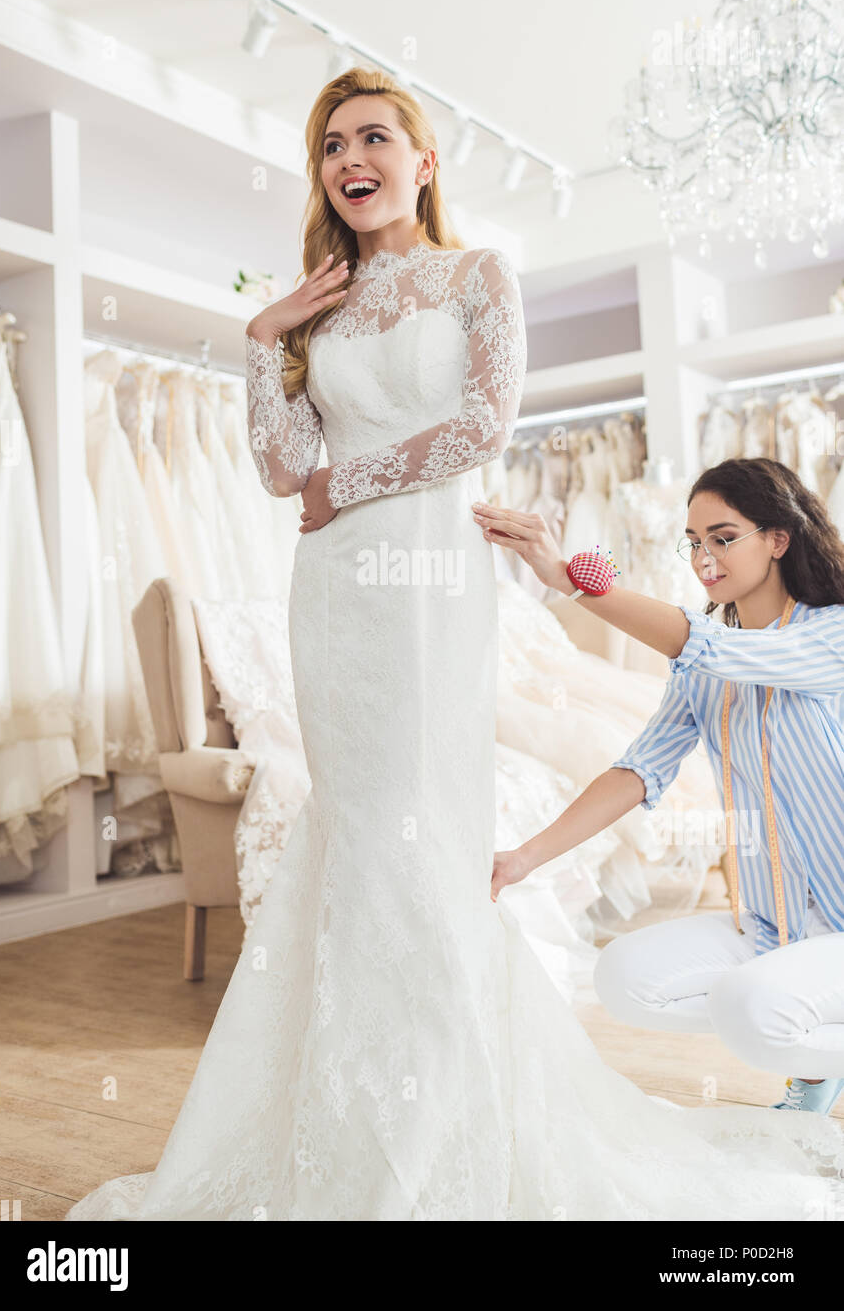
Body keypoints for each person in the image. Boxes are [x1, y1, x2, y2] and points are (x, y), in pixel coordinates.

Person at [66, 71, 844, 1221]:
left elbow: (483, 425)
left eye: (374, 136)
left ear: (423, 162)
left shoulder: (479, 275)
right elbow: (281, 471)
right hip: (334, 593)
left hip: (431, 580)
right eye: (331, 144)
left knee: (417, 834)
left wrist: (347, 483)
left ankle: (439, 1118)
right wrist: (263, 336)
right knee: (355, 834)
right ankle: (347, 1119)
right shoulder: (317, 308)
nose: (350, 157)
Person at [475, 455, 844, 1118]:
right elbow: (638, 770)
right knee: (624, 978)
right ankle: (813, 1045)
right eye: (693, 542)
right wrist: (524, 858)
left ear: (777, 540)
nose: (704, 559)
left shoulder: (831, 636)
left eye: (722, 539)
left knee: (749, 1008)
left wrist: (569, 581)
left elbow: (713, 649)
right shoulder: (703, 668)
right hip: (774, 921)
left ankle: (810, 1058)